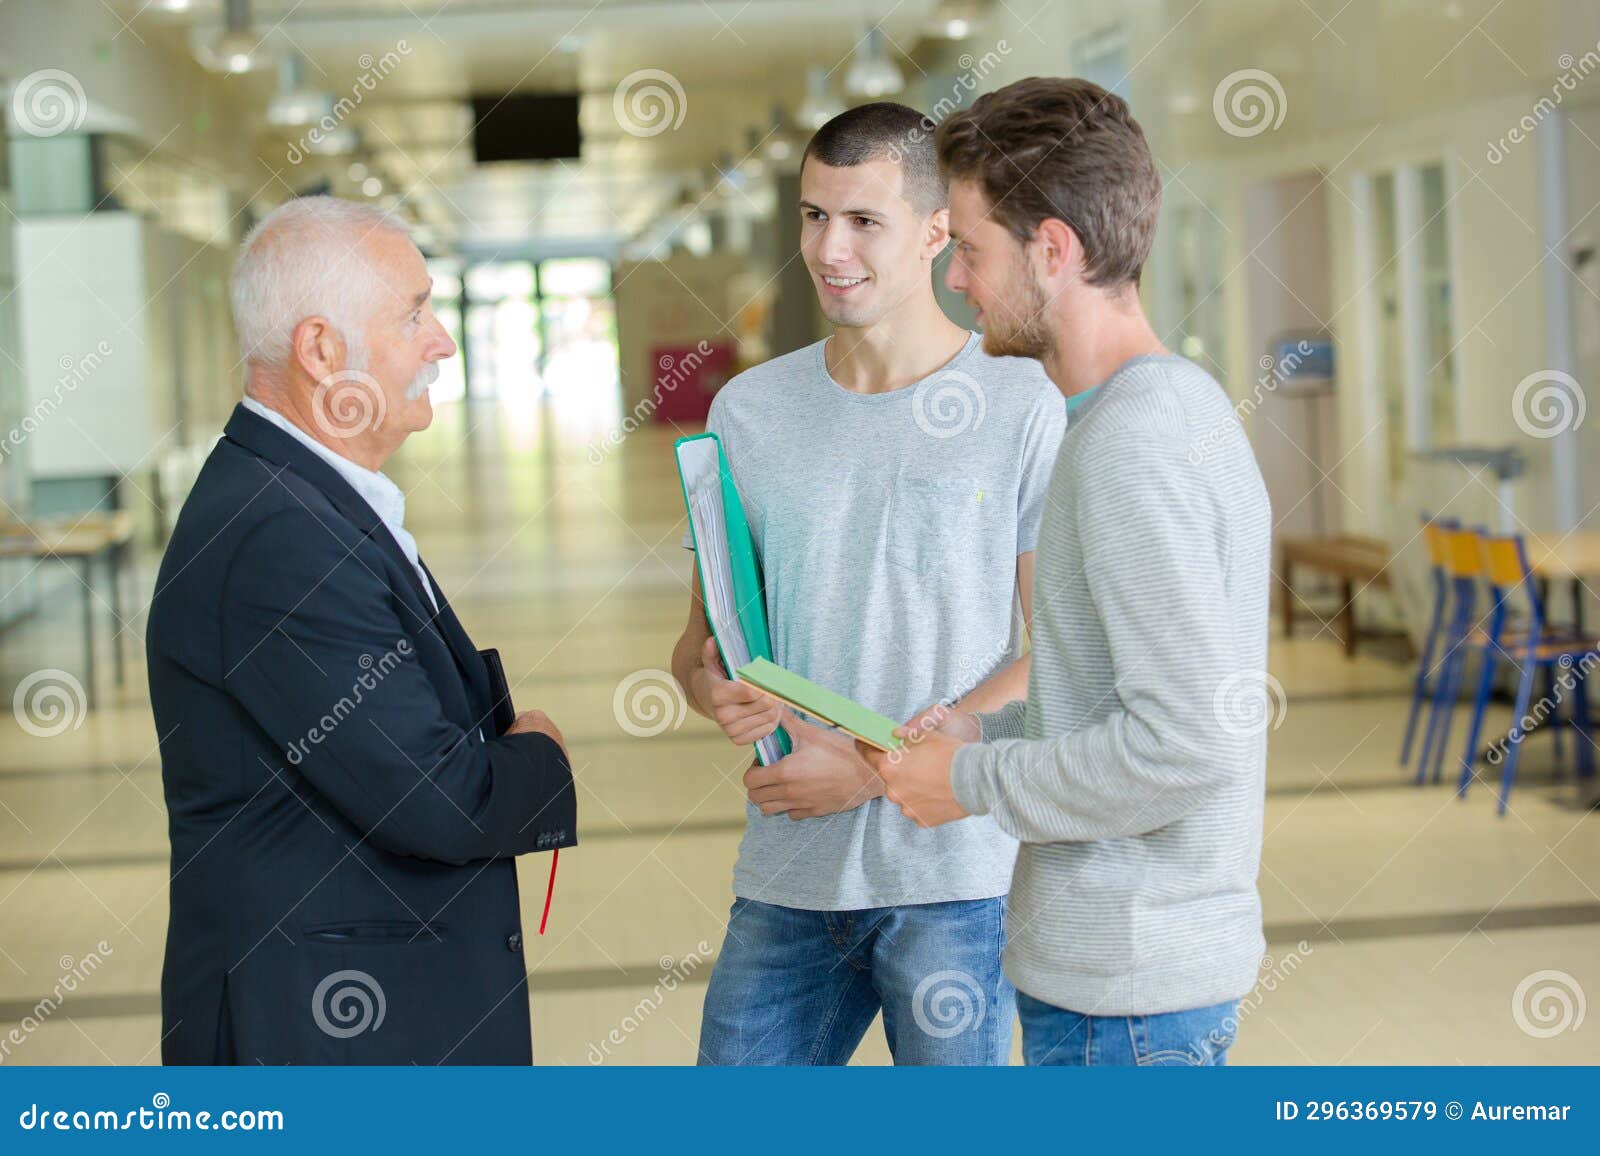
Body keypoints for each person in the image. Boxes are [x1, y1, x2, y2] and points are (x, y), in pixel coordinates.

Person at [863, 77, 1272, 1067]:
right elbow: (1123, 707)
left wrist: (967, 776)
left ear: (1053, 251)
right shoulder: (1169, 407)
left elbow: (1180, 748)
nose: (956, 279)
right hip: (1129, 978)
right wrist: (987, 729)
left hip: (1127, 996)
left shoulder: (1133, 444)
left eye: (968, 248)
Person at [669, 102, 1066, 1065]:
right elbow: (700, 643)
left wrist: (873, 767)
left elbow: (1052, 653)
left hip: (955, 881)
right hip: (789, 873)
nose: (828, 247)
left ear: (937, 232)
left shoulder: (1021, 403)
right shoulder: (750, 409)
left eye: (862, 221)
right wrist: (715, 689)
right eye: (813, 216)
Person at [147, 196, 576, 1065]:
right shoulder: (281, 538)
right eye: (414, 312)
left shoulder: (303, 497)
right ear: (321, 351)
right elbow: (441, 801)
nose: (441, 341)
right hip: (321, 1036)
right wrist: (540, 756)